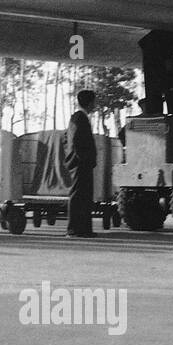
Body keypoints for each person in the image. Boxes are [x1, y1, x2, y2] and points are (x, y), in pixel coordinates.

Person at [66, 89, 97, 238]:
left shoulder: (78, 117)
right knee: (78, 195)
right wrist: (84, 159)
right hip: (80, 163)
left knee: (84, 196)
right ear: (90, 103)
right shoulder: (80, 118)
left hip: (81, 162)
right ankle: (74, 229)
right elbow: (77, 141)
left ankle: (84, 229)